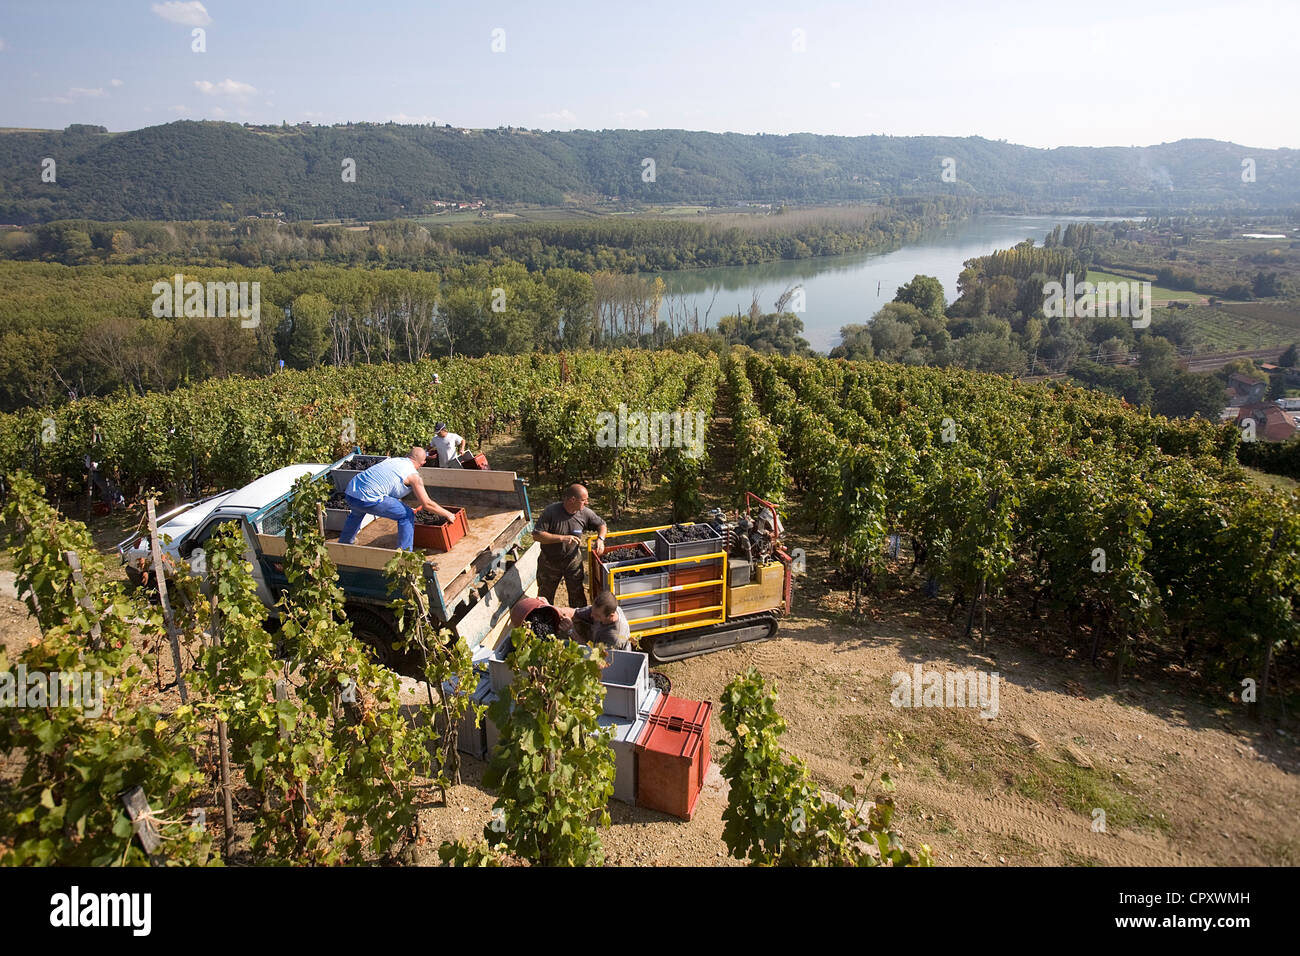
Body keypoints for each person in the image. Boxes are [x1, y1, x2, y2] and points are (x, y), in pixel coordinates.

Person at [338, 446, 457, 551]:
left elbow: (387, 484)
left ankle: (344, 544)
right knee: (407, 515)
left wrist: (398, 505)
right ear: (422, 463)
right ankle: (404, 553)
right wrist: (448, 514)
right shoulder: (413, 476)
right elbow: (427, 504)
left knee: (357, 513)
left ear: (408, 456)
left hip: (351, 491)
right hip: (369, 498)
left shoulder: (394, 460)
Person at [533, 483, 606, 607]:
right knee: (545, 597)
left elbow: (602, 525)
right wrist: (561, 538)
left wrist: (600, 539)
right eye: (584, 500)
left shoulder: (584, 513)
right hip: (550, 562)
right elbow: (537, 535)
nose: (587, 503)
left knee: (577, 595)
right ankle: (547, 619)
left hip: (572, 562)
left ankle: (579, 622)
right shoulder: (551, 512)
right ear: (572, 500)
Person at [557, 591, 630, 651]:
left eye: (597, 615)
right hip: (594, 642)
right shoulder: (600, 609)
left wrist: (571, 631)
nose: (591, 615)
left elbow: (591, 655)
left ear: (610, 616)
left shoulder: (613, 637)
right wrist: (553, 609)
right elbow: (575, 612)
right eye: (592, 611)